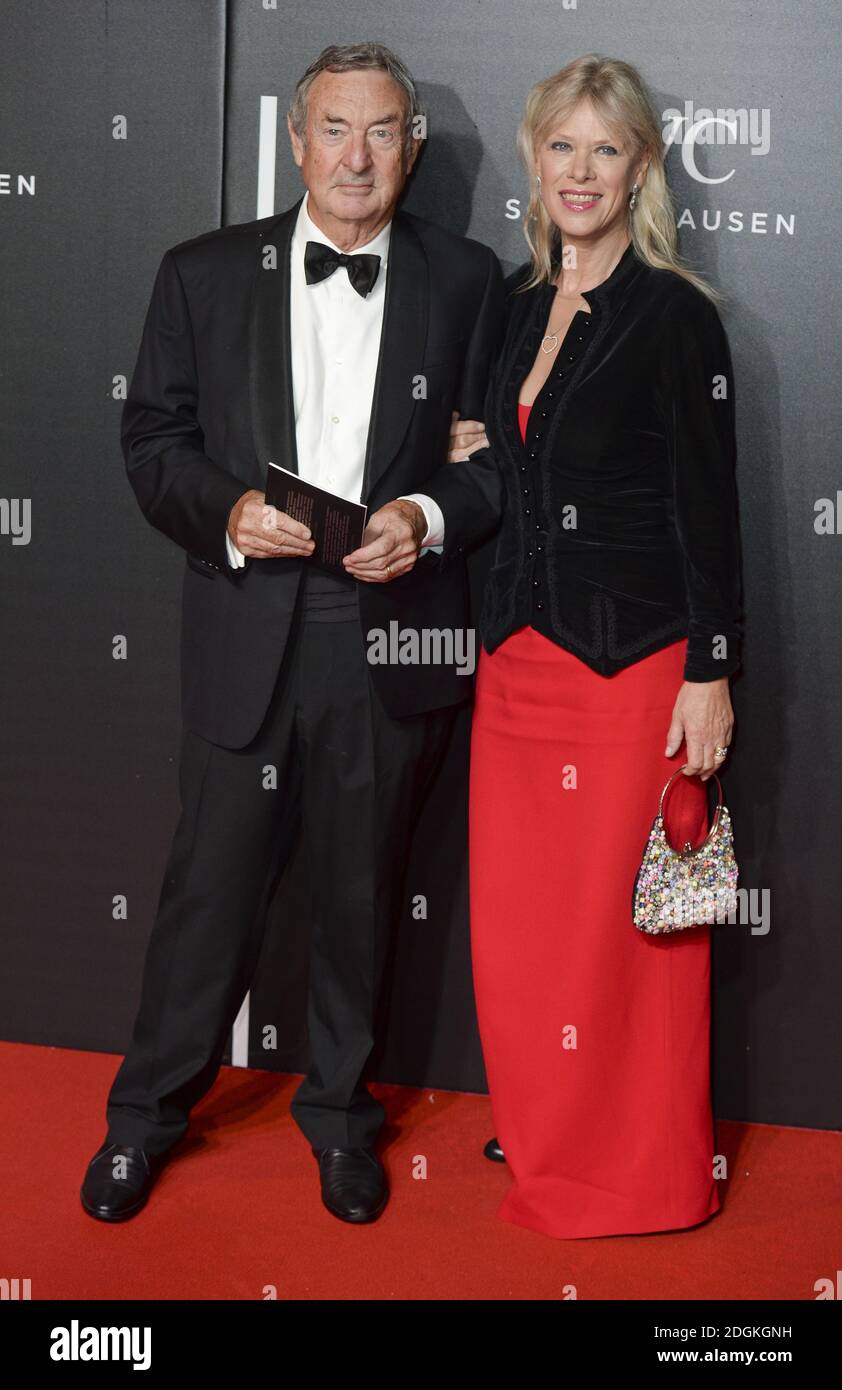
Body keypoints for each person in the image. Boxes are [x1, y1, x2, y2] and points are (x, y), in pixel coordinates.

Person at [80, 42, 505, 1225]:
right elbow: (151, 443)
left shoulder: (470, 281)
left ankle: (337, 1116)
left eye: (381, 131)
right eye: (334, 128)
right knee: (205, 894)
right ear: (294, 137)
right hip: (246, 626)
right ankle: (143, 1118)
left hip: (386, 634)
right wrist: (225, 511)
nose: (356, 156)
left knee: (360, 899)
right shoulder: (201, 273)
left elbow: (493, 469)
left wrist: (423, 520)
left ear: (410, 145)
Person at [448, 54, 743, 1238]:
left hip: (630, 674)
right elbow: (485, 461)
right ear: (534, 158)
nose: (579, 171)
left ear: (639, 170)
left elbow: (705, 509)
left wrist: (710, 673)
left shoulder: (677, 318)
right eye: (561, 147)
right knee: (525, 936)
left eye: (603, 150)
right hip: (516, 664)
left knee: (621, 942)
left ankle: (642, 1176)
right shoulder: (512, 305)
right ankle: (547, 1124)